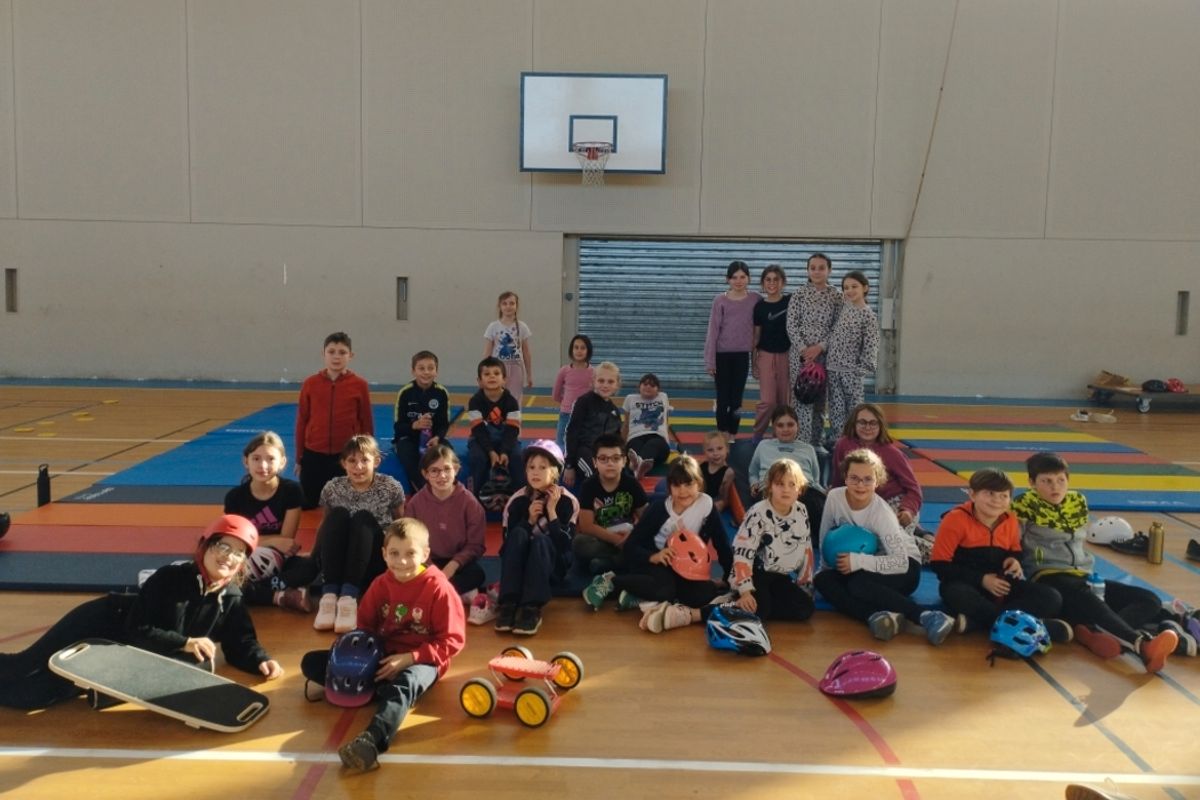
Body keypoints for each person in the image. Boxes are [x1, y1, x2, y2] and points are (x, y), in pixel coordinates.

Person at [0, 514, 283, 710]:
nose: (228, 556)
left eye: (238, 552)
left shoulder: (230, 597)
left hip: (119, 655)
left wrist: (261, 660)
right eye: (222, 546)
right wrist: (185, 642)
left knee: (34, 696)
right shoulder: (170, 578)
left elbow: (240, 641)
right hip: (101, 623)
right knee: (25, 665)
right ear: (205, 545)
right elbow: (138, 630)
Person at [303, 518, 465, 773]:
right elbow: (365, 626)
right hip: (383, 654)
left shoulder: (439, 588)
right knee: (312, 662)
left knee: (404, 684)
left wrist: (410, 658)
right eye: (394, 553)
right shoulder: (380, 584)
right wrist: (350, 657)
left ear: (425, 554)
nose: (401, 561)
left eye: (410, 553)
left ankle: (372, 740)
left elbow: (452, 641)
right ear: (384, 554)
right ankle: (379, 689)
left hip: (422, 660)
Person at [1014, 451, 1178, 672]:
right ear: (1032, 483)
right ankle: (1142, 646)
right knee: (1090, 600)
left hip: (1084, 575)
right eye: (1047, 481)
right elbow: (1012, 540)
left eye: (1061, 480)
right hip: (1049, 576)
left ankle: (1096, 633)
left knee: (1149, 600)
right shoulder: (1024, 504)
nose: (1056, 487)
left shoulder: (1078, 501)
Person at [813, 449, 955, 645]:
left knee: (858, 584)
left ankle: (927, 617)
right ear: (845, 477)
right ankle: (879, 617)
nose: (860, 485)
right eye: (854, 478)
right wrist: (825, 570)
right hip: (861, 565)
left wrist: (858, 561)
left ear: (877, 481)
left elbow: (900, 562)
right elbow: (825, 538)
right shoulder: (834, 498)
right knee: (822, 580)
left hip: (904, 568)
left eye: (867, 479)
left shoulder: (881, 513)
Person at [588, 456, 732, 632]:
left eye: (688, 484)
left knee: (705, 595)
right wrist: (653, 557)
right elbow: (632, 545)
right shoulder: (659, 508)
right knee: (666, 590)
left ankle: (638, 595)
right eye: (676, 485)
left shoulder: (706, 507)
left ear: (699, 484)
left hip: (684, 568)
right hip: (654, 561)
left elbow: (722, 543)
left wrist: (729, 577)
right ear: (669, 487)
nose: (683, 491)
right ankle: (612, 581)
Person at [930, 468, 1067, 639]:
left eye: (1004, 496)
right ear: (973, 495)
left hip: (1001, 585)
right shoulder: (955, 519)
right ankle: (1029, 627)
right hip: (964, 583)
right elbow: (939, 564)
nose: (997, 501)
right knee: (960, 596)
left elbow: (1015, 550)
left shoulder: (1009, 519)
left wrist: (1014, 560)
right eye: (990, 494)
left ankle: (978, 623)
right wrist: (982, 580)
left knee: (1051, 597)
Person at [312, 435, 406, 634]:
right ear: (343, 463)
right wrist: (314, 555)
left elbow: (400, 524)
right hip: (342, 560)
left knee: (362, 518)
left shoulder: (390, 486)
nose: (358, 467)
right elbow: (327, 524)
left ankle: (348, 598)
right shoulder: (333, 488)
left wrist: (401, 560)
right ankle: (329, 597)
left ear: (376, 461)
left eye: (365, 460)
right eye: (352, 461)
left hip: (374, 558)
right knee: (338, 514)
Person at [495, 440, 580, 636]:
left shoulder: (567, 501)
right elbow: (506, 548)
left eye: (543, 467)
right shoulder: (517, 501)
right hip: (520, 571)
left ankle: (531, 608)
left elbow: (565, 547)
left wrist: (551, 513)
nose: (536, 472)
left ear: (556, 472)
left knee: (542, 541)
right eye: (531, 467)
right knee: (518, 533)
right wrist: (529, 521)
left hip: (551, 570)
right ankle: (508, 603)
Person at [223, 431, 312, 611]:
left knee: (311, 566)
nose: (263, 465)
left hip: (278, 558)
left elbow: (286, 542)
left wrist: (274, 544)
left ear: (282, 462)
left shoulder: (291, 491)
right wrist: (271, 540)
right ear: (245, 461)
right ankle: (278, 595)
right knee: (222, 577)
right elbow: (234, 541)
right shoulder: (235, 497)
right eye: (256, 458)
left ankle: (257, 591)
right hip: (246, 555)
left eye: (271, 459)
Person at [831, 403, 929, 558]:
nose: (867, 427)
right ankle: (921, 535)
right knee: (867, 543)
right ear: (854, 423)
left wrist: (907, 510)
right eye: (862, 422)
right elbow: (838, 479)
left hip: (894, 504)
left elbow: (913, 489)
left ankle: (935, 552)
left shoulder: (891, 453)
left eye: (873, 423)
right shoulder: (843, 445)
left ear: (880, 425)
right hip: (865, 504)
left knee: (888, 549)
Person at [295, 331, 374, 508]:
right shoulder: (310, 384)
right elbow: (302, 421)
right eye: (331, 352)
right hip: (313, 454)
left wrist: (367, 456)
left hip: (345, 454)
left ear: (350, 356)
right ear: (323, 354)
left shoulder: (360, 385)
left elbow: (366, 421)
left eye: (342, 352)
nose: (336, 357)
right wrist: (300, 458)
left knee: (345, 505)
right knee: (308, 504)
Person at [731, 459, 816, 621]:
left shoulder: (801, 510)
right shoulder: (758, 513)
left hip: (779, 575)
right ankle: (731, 601)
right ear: (770, 486)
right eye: (780, 484)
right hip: (756, 572)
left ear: (800, 488)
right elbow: (742, 552)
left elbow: (806, 546)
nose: (786, 490)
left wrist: (804, 582)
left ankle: (765, 603)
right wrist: (745, 591)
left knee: (805, 608)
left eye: (792, 484)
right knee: (759, 610)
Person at [404, 444, 486, 597]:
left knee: (477, 575)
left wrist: (453, 565)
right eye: (434, 471)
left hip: (457, 562)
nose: (442, 476)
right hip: (425, 561)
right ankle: (452, 593)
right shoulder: (415, 504)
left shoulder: (469, 503)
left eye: (447, 469)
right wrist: (430, 567)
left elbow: (476, 545)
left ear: (456, 469)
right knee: (404, 571)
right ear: (425, 474)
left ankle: (432, 593)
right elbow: (409, 541)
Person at [785, 253, 843, 448]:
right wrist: (804, 349)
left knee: (819, 399)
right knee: (802, 398)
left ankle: (816, 442)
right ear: (807, 270)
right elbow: (791, 324)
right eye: (813, 268)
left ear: (829, 270)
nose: (817, 271)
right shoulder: (799, 294)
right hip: (800, 357)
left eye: (821, 268)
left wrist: (820, 347)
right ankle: (801, 443)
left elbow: (838, 326)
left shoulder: (836, 296)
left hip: (825, 356)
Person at [575, 433, 648, 580]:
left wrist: (631, 537)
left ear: (624, 461)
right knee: (579, 543)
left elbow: (647, 520)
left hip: (628, 537)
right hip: (602, 539)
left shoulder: (632, 484)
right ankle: (618, 562)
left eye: (616, 458)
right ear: (595, 462)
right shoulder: (589, 486)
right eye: (603, 459)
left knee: (649, 541)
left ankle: (609, 564)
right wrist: (616, 540)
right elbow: (586, 526)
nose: (610, 463)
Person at [704, 260, 761, 438]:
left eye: (742, 277)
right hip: (722, 356)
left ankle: (732, 434)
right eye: (734, 277)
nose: (738, 281)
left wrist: (756, 360)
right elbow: (712, 331)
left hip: (742, 356)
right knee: (723, 399)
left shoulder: (755, 299)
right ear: (727, 279)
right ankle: (721, 432)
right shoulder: (720, 300)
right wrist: (710, 360)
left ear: (749, 278)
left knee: (737, 400)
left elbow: (759, 329)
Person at [824, 271, 879, 444]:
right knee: (836, 408)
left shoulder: (868, 315)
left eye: (854, 286)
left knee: (854, 409)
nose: (849, 291)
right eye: (846, 288)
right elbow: (833, 334)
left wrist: (861, 370)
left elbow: (871, 345)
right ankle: (838, 441)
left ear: (865, 288)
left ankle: (855, 442)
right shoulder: (844, 308)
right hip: (833, 368)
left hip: (851, 372)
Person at [391, 350, 450, 492]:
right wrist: (414, 425)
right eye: (421, 368)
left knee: (449, 454)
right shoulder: (405, 393)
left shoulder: (441, 393)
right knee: (409, 457)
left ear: (436, 371)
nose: (426, 372)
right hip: (409, 438)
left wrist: (437, 437)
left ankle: (448, 489)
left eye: (430, 368)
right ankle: (422, 491)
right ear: (413, 371)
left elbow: (443, 424)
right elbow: (398, 427)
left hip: (433, 439)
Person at [466, 357, 524, 502]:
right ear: (479, 381)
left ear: (504, 379)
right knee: (478, 458)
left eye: (496, 373)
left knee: (517, 458)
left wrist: (504, 451)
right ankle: (472, 499)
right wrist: (491, 452)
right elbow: (478, 430)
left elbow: (512, 429)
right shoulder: (475, 401)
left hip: (506, 439)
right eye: (486, 374)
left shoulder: (511, 402)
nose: (492, 376)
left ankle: (521, 497)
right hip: (481, 440)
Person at [563, 361, 623, 487]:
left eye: (610, 382)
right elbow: (572, 432)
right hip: (583, 451)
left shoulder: (614, 411)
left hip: (605, 455)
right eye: (601, 381)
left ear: (617, 385)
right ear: (593, 381)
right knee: (595, 476)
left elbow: (617, 441)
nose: (605, 385)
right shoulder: (584, 402)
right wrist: (569, 465)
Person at [751, 264, 791, 438]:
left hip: (787, 356)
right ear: (762, 283)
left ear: (783, 282)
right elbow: (756, 336)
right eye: (768, 279)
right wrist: (753, 362)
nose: (772, 283)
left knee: (784, 403)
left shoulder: (790, 302)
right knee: (768, 402)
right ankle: (757, 435)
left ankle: (781, 436)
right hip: (766, 356)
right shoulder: (759, 307)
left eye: (776, 279)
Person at [749, 406, 821, 495]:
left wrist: (825, 492)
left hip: (803, 493)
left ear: (797, 426)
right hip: (771, 491)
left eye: (790, 425)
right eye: (780, 425)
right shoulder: (763, 446)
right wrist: (754, 484)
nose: (785, 429)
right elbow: (753, 472)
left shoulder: (808, 449)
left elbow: (815, 481)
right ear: (774, 427)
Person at [483, 290, 533, 405]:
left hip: (516, 367)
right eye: (504, 303)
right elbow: (487, 352)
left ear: (516, 306)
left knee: (515, 399)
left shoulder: (522, 327)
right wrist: (483, 372)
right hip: (498, 368)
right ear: (500, 307)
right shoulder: (493, 327)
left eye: (511, 303)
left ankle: (514, 421)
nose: (508, 306)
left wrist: (529, 375)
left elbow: (526, 353)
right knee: (496, 397)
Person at [623, 373, 675, 479]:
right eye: (645, 384)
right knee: (634, 449)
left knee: (652, 445)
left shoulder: (663, 397)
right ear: (639, 386)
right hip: (635, 436)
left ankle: (635, 466)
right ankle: (638, 467)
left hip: (657, 437)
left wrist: (671, 441)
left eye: (652, 385)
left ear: (658, 389)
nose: (648, 387)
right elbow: (626, 424)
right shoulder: (630, 398)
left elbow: (666, 421)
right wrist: (621, 445)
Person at [552, 334, 595, 451]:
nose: (579, 351)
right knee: (561, 444)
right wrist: (567, 403)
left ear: (588, 351)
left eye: (583, 348)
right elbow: (556, 394)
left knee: (585, 444)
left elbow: (596, 395)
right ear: (571, 350)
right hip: (566, 415)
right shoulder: (564, 371)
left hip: (586, 416)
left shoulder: (594, 372)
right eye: (576, 347)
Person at [701, 431, 735, 515]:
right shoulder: (702, 466)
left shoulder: (728, 472)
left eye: (719, 448)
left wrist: (723, 504)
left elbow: (726, 498)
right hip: (701, 498)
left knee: (716, 507)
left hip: (714, 500)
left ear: (727, 449)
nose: (715, 453)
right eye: (710, 450)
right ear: (704, 452)